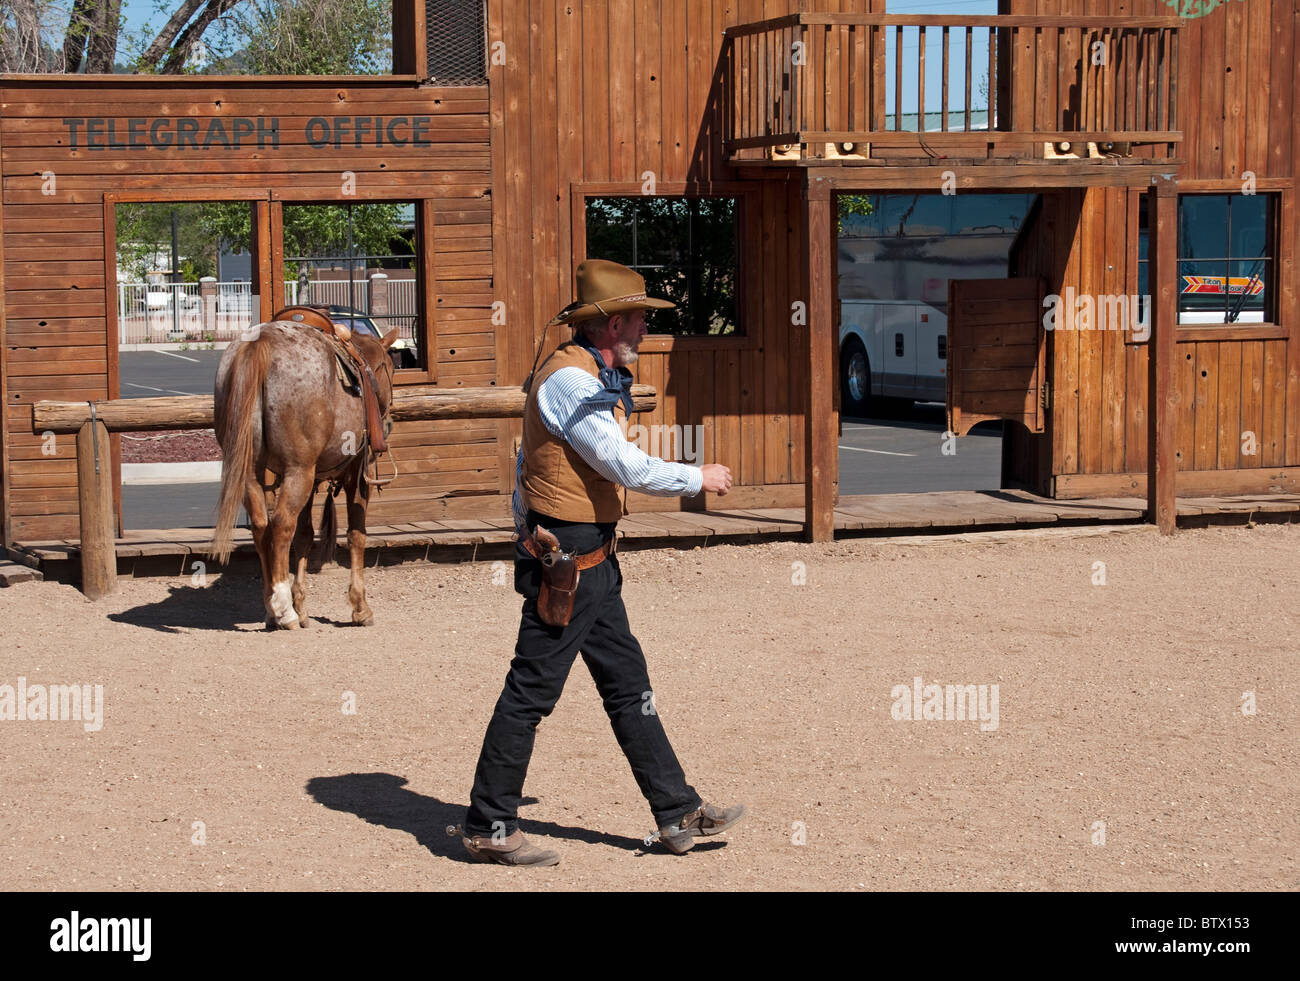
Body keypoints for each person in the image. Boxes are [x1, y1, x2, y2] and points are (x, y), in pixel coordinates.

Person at [449, 260, 747, 866]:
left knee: (628, 685)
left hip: (592, 564)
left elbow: (527, 467)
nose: (644, 326)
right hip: (568, 564)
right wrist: (697, 476)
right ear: (612, 323)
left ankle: (676, 809)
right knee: (530, 692)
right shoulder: (570, 381)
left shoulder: (592, 372)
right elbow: (624, 466)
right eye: (638, 316)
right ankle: (489, 825)